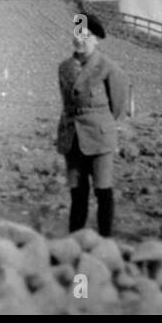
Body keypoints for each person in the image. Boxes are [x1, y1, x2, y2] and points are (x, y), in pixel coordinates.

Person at [56, 12, 130, 238]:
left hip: (99, 137)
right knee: (77, 193)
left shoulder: (109, 68)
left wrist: (101, 124)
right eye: (77, 35)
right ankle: (75, 241)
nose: (80, 40)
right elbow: (67, 103)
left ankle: (105, 242)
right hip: (73, 139)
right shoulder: (64, 68)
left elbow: (117, 106)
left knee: (103, 190)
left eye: (86, 36)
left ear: (96, 40)